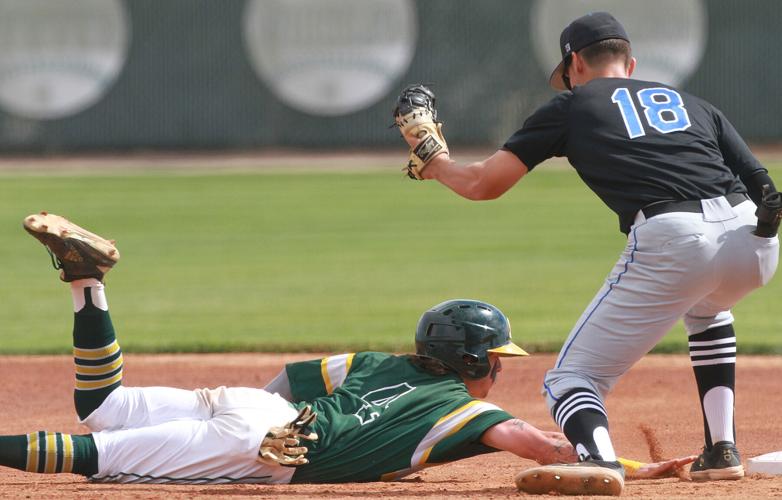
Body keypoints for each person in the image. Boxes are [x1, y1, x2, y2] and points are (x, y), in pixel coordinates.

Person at [0, 212, 691, 492]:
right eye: (498, 358)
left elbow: (284, 382)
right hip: (267, 447)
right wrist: (629, 465)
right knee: (101, 460)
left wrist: (255, 420)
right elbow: (539, 445)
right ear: (476, 363)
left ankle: (86, 282)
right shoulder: (461, 413)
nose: (501, 368)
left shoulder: (368, 361)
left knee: (103, 406)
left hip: (253, 406)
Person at [395, 11, 779, 496]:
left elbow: (483, 185)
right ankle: (722, 451)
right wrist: (762, 236)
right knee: (709, 308)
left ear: (574, 63)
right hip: (754, 238)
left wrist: (435, 162)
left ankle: (598, 460)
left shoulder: (571, 106)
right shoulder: (691, 102)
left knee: (570, 379)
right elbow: (764, 186)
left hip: (676, 236)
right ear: (630, 63)